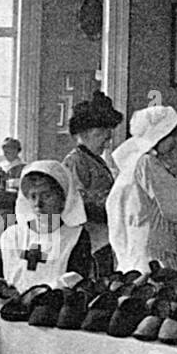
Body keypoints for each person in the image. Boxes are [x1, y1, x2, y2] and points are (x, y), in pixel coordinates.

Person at [106, 104, 177, 274]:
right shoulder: (148, 164)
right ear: (160, 136)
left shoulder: (133, 164)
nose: (176, 142)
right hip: (152, 256)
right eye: (173, 135)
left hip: (133, 254)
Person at [0, 161, 92, 289]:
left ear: (63, 200)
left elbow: (77, 279)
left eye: (47, 195)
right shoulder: (11, 235)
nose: (38, 203)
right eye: (33, 196)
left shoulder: (76, 236)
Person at [61, 91, 123, 277]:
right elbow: (78, 200)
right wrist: (113, 202)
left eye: (108, 138)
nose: (107, 143)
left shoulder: (94, 159)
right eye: (102, 137)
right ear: (85, 134)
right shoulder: (75, 161)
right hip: (89, 234)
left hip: (103, 232)